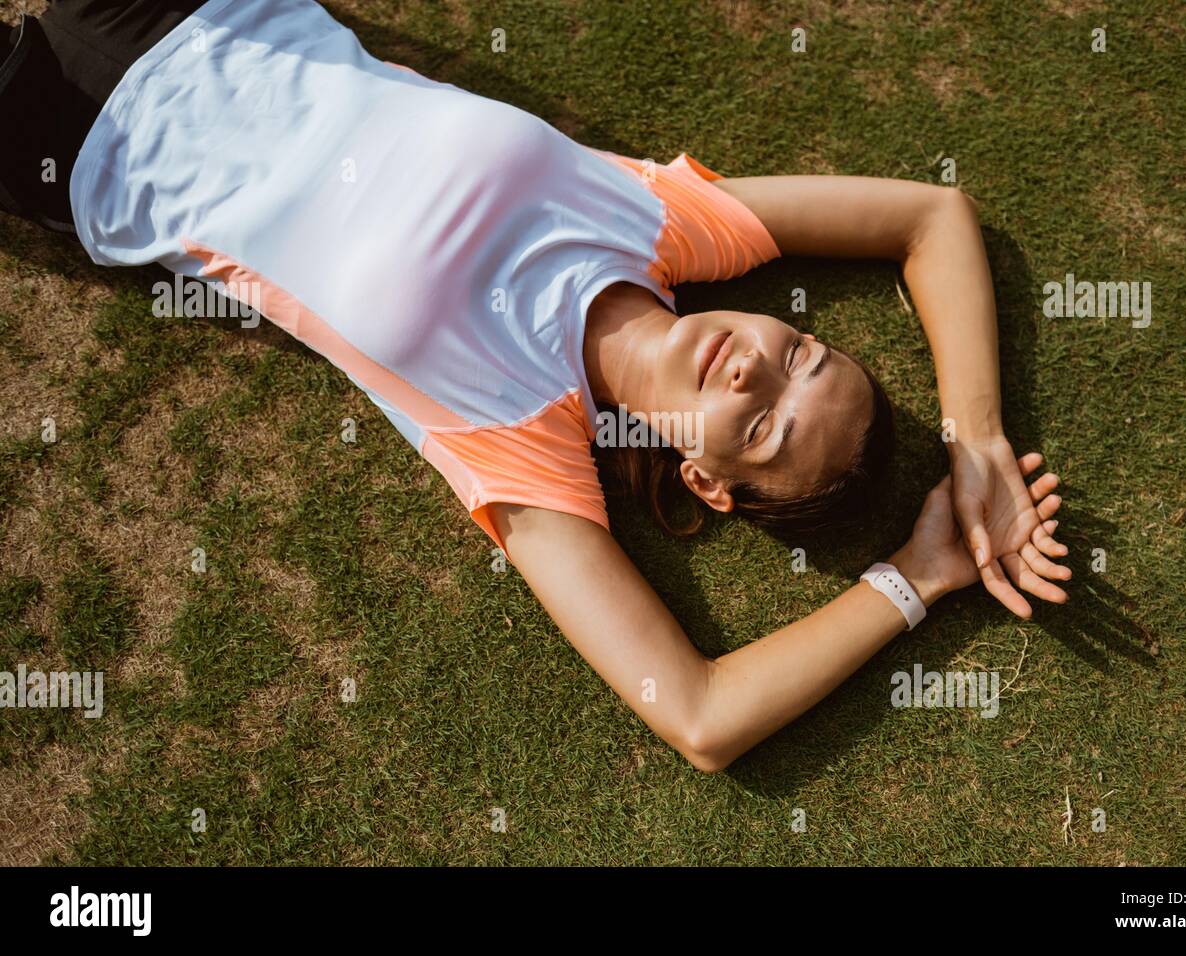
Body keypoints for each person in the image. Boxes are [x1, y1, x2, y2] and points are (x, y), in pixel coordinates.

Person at [0, 0, 1070, 771]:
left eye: (768, 425)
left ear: (705, 478)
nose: (757, 367)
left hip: (94, 151)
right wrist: (975, 441)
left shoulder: (519, 442)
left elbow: (699, 714)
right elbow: (932, 219)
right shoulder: (665, 221)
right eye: (803, 355)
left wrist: (917, 577)